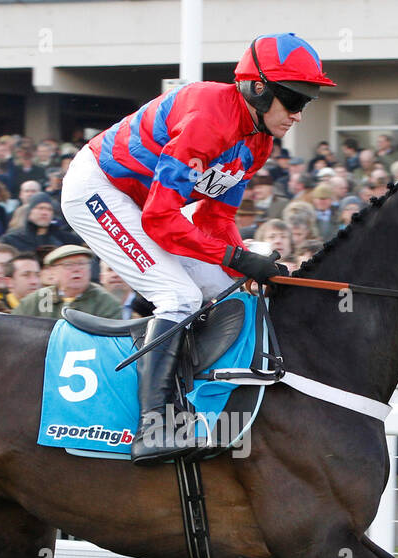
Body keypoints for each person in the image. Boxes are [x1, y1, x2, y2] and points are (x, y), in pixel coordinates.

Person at [60, 33, 332, 462]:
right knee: (179, 294)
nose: (299, 115)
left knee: (229, 287)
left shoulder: (258, 140)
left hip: (145, 202)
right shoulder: (209, 120)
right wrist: (237, 257)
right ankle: (153, 425)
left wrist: (245, 266)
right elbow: (159, 220)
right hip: (99, 189)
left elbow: (215, 219)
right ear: (257, 89)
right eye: (294, 100)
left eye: (306, 103)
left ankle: (200, 399)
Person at [15, 244, 121, 320]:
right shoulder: (38, 300)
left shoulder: (104, 302)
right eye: (68, 265)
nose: (76, 269)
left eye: (82, 264)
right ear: (52, 271)